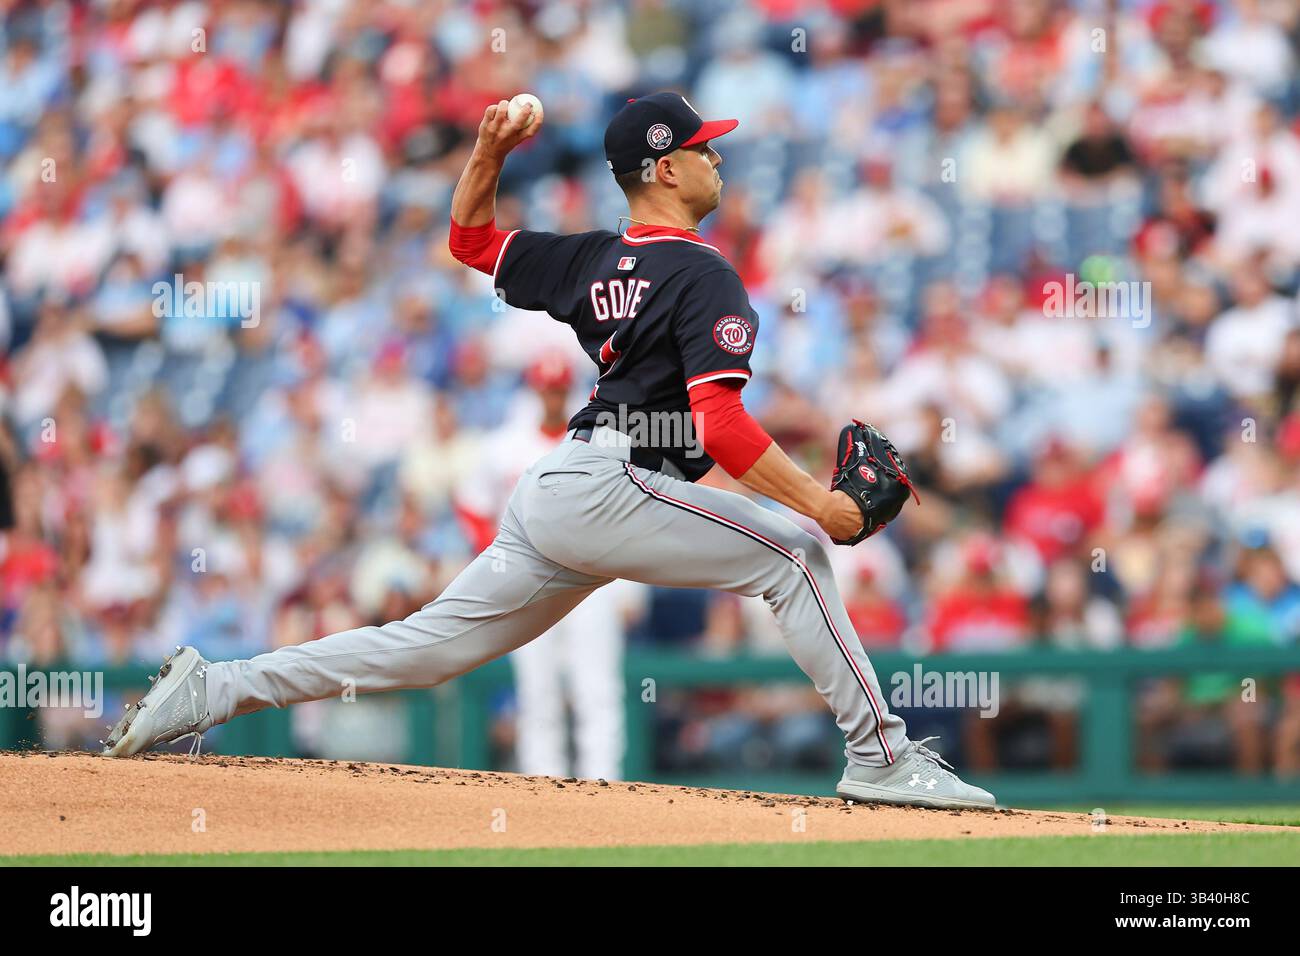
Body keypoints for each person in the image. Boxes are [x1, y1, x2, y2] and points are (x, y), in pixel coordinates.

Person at [102, 92, 994, 810]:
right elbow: (718, 426)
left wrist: (489, 151)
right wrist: (826, 506)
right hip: (613, 486)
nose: (718, 157)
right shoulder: (702, 271)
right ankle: (880, 757)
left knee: (420, 649)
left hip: (567, 488)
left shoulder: (590, 258)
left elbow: (469, 240)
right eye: (705, 146)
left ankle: (211, 689)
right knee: (798, 553)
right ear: (665, 166)